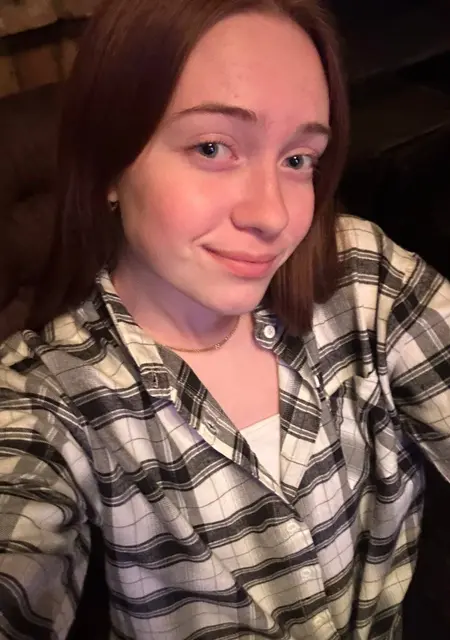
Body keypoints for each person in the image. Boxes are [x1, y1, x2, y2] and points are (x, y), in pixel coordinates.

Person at [0, 0, 449, 637]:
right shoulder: (45, 397)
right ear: (110, 163)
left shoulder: (359, 274)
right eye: (212, 147)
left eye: (298, 159)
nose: (273, 216)